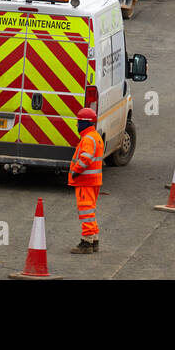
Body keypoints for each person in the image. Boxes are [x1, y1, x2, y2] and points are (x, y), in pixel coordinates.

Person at [68, 107, 104, 254]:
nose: (76, 125)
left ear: (85, 123)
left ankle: (87, 242)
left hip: (85, 181)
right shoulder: (95, 136)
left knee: (85, 210)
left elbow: (86, 158)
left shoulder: (88, 139)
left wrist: (76, 171)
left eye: (78, 122)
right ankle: (94, 239)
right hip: (93, 181)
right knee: (90, 210)